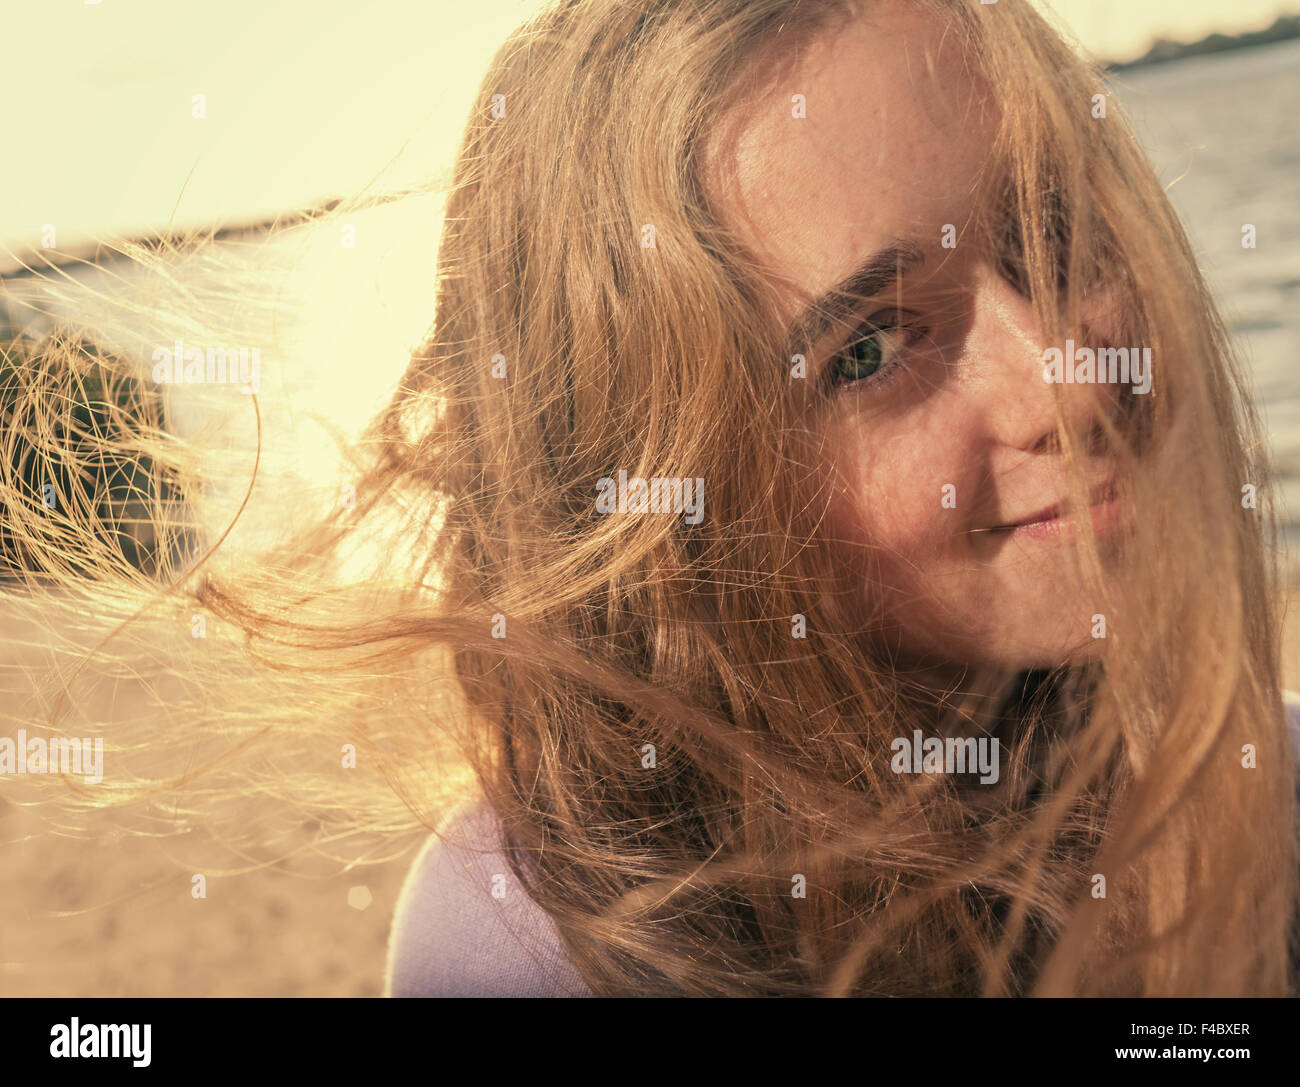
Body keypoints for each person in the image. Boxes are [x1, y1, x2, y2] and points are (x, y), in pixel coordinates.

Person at [8, 0, 1297, 998]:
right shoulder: (550, 943)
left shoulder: (1262, 781)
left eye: (1056, 231)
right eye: (866, 347)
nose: (1066, 378)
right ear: (677, 497)